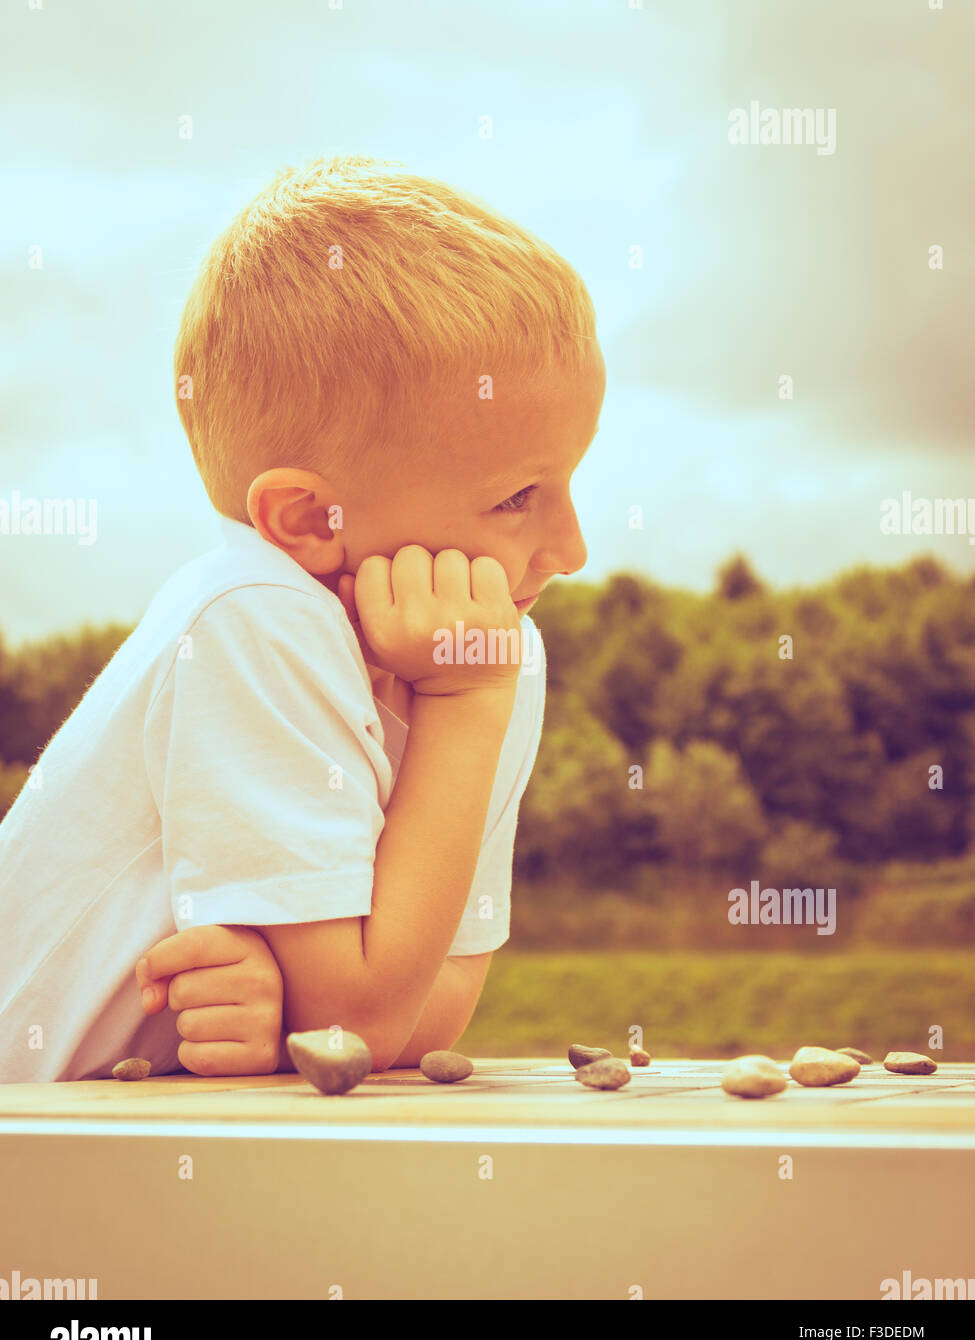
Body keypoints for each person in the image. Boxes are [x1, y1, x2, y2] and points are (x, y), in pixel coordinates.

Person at [0, 154, 605, 1082]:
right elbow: (359, 1024)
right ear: (307, 519)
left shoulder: (490, 659)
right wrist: (466, 706)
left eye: (567, 482)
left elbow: (422, 1018)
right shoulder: (255, 618)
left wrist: (288, 1009)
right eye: (517, 496)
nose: (571, 550)